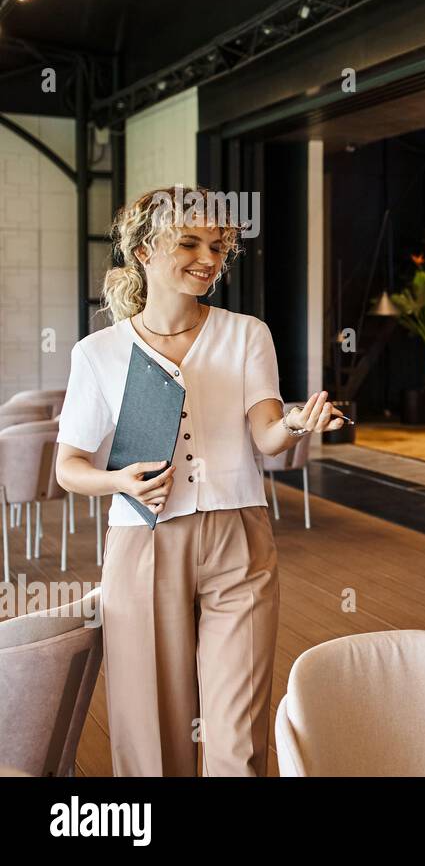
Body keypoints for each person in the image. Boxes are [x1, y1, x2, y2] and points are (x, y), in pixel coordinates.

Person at [55, 186, 345, 776]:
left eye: (218, 246)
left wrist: (297, 422)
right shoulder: (97, 352)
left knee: (236, 727)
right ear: (142, 251)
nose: (208, 259)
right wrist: (120, 482)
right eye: (189, 242)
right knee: (151, 722)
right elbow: (69, 466)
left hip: (239, 533)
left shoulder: (246, 333)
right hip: (144, 538)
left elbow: (266, 434)